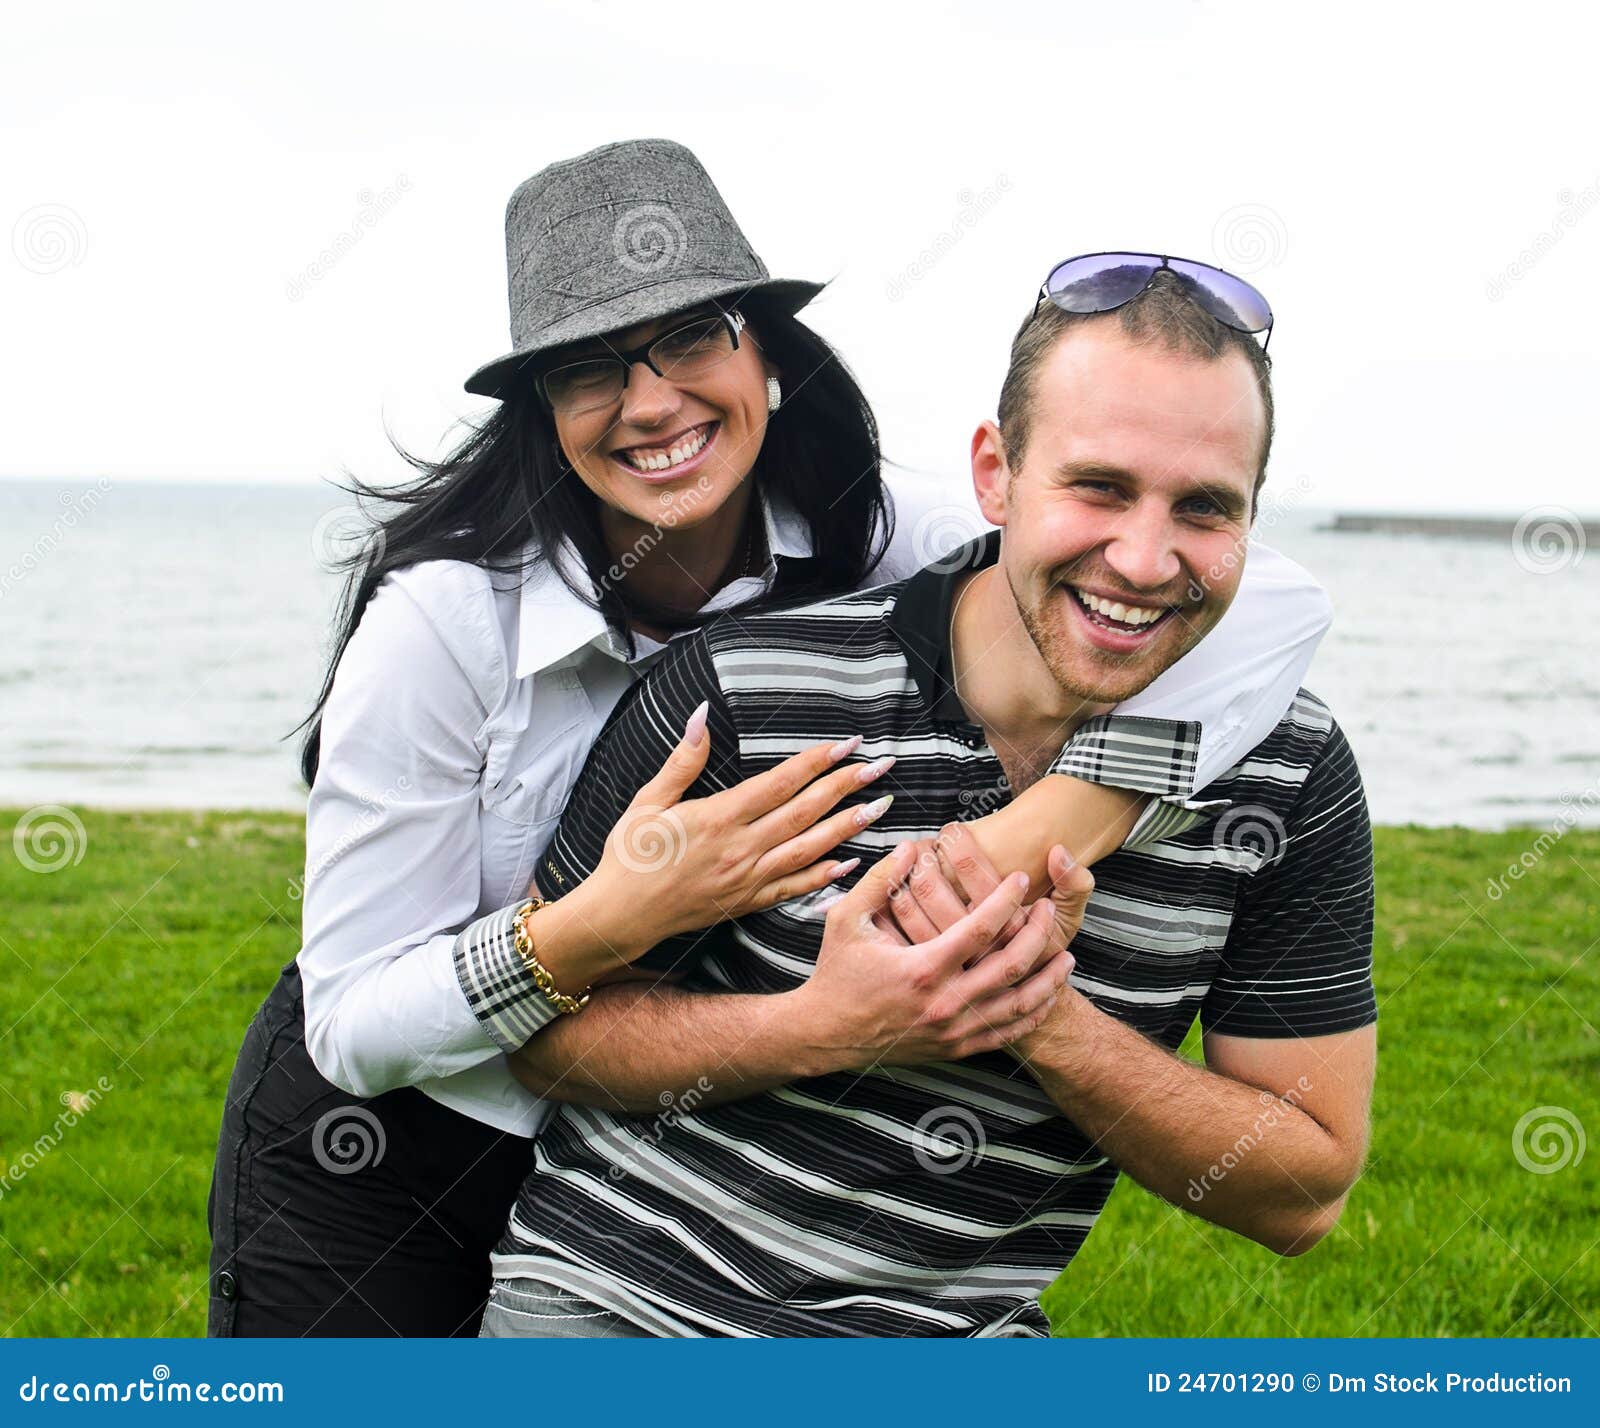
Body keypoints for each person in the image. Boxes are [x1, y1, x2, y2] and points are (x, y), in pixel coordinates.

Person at [206, 139, 1330, 1338]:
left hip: (628, 1152)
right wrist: (602, 922)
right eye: (590, 371)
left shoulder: (875, 535)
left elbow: (1271, 595)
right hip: (391, 1143)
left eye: (693, 340)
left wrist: (1061, 815)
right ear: (545, 411)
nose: (651, 402)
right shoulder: (445, 624)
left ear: (768, 354)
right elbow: (353, 1028)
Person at [477, 256, 1378, 1339]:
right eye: (1096, 487)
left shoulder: (1289, 776)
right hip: (628, 1309)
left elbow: (1300, 1192)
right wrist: (822, 1026)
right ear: (994, 475)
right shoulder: (741, 691)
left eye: (1202, 508)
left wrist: (1045, 1022)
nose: (1143, 559)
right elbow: (547, 1038)